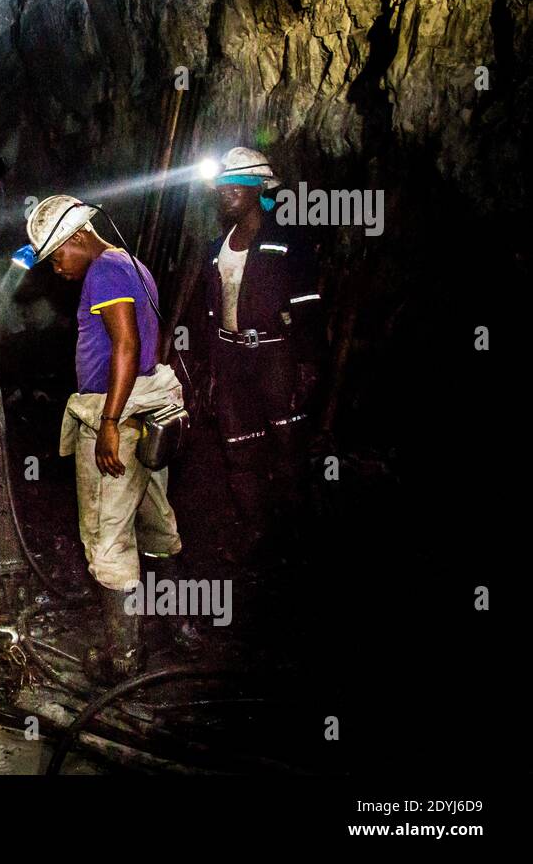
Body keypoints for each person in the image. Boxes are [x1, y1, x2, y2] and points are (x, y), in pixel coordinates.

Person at [22, 195, 186, 682]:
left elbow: (127, 345)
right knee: (156, 522)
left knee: (106, 536)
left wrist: (109, 422)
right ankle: (179, 628)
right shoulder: (131, 264)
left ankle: (124, 659)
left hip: (120, 415)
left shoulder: (103, 273)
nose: (57, 269)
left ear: (78, 237)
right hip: (150, 409)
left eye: (57, 256)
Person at [204, 148, 323, 559]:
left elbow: (307, 301)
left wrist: (308, 361)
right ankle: (257, 530)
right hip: (230, 354)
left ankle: (296, 534)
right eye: (222, 188)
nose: (226, 194)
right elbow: (210, 311)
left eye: (235, 186)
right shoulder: (216, 247)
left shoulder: (287, 239)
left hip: (276, 353)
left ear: (258, 189)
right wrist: (211, 367)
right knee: (238, 444)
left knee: (288, 442)